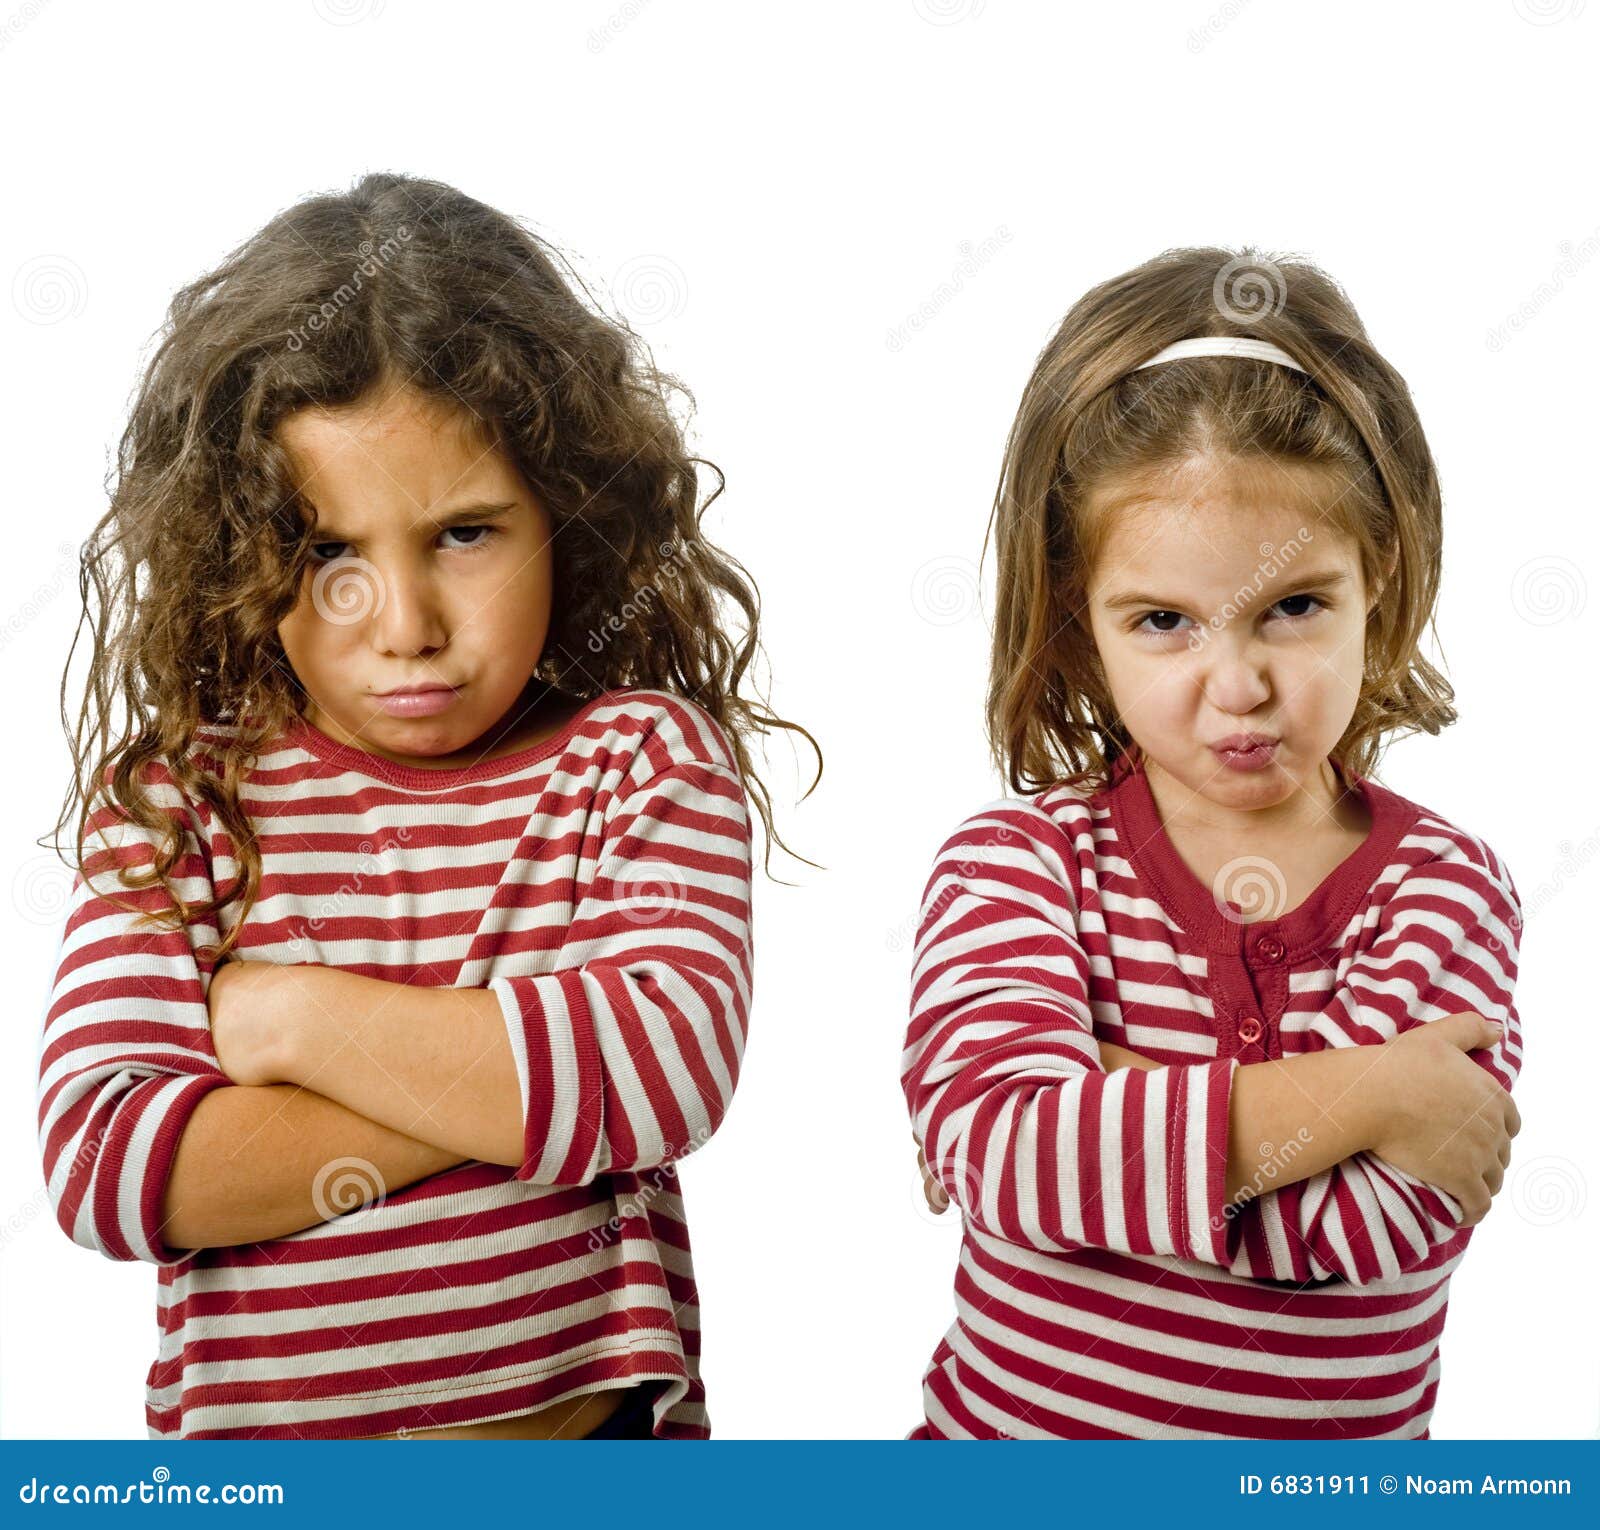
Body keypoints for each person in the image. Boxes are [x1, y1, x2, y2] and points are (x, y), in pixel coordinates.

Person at [36, 171, 818, 1441]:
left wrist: (287, 1018)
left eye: (464, 534)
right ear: (235, 550)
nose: (405, 627)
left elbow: (659, 1076)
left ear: (568, 511)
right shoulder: (181, 803)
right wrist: (525, 1095)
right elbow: (105, 1165)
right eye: (328, 551)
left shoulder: (634, 763)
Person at [902, 247, 1522, 1440]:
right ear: (1080, 622)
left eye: (1292, 606)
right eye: (1163, 622)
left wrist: (1093, 1119)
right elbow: (1000, 1151)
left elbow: (1372, 1224)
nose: (1236, 685)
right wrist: (1372, 1092)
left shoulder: (1444, 890)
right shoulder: (1017, 865)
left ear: (1378, 577)